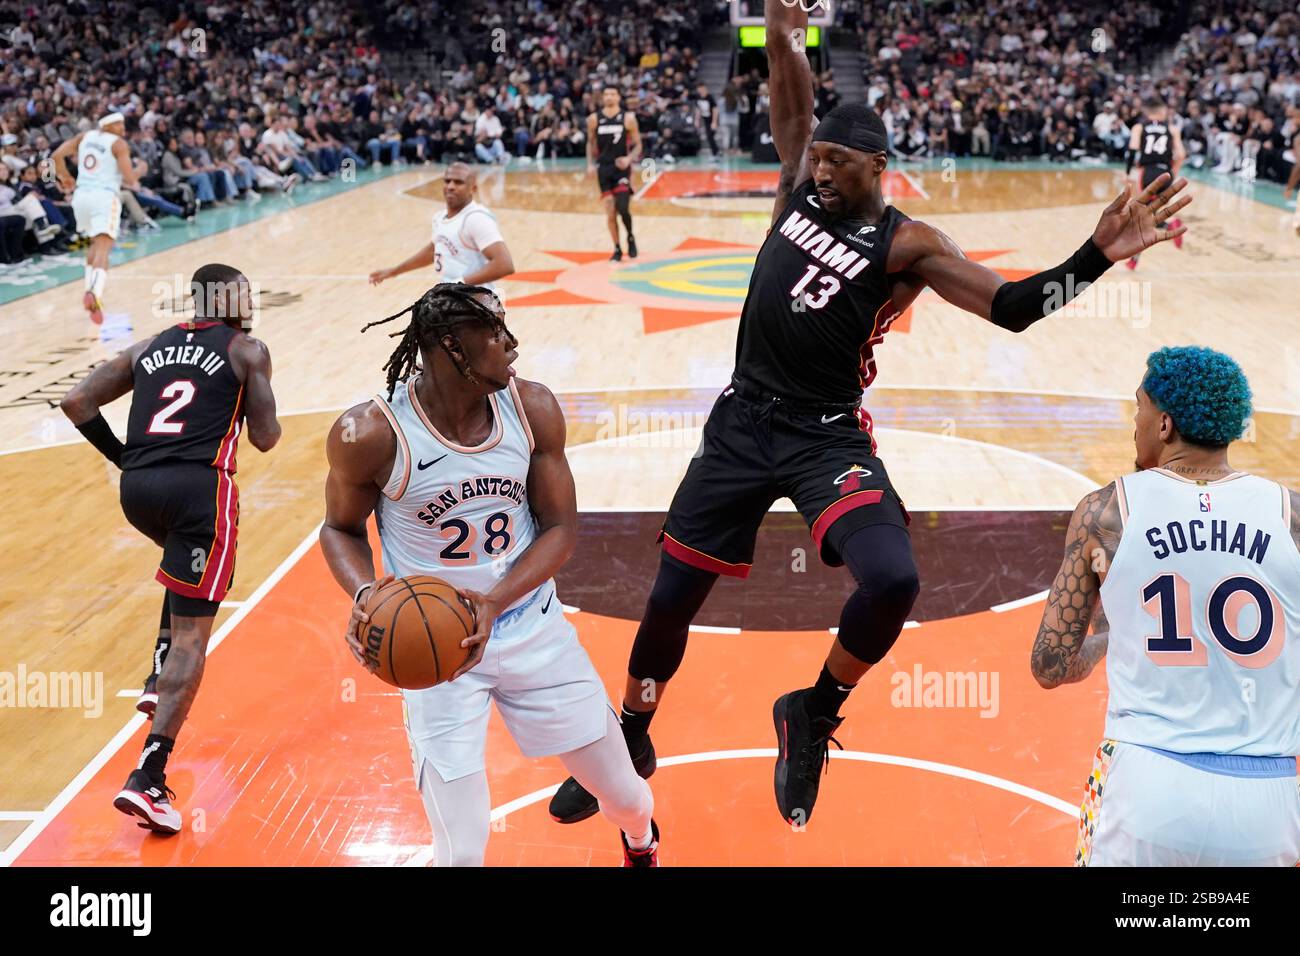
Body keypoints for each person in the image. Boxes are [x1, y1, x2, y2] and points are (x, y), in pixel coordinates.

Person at [548, 0, 1193, 830]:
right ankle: (632, 732)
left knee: (894, 578)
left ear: (876, 166)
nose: (817, 170)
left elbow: (1016, 308)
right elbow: (791, 101)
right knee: (671, 596)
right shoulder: (796, 189)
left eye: (835, 161)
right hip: (742, 424)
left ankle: (812, 712)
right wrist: (784, 33)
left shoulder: (906, 245)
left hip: (825, 434)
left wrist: (1095, 258)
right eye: (813, 157)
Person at [320, 283, 659, 867]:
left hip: (532, 630)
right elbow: (338, 529)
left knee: (627, 797)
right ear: (451, 346)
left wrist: (494, 602)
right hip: (440, 657)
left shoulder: (532, 409)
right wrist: (366, 594)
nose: (511, 343)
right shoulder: (373, 433)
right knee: (462, 851)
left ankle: (640, 841)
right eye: (495, 332)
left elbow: (561, 530)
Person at [1032, 346, 1300, 867]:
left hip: (1146, 787)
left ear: (1164, 424)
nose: (1134, 424)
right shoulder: (1290, 515)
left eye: (1139, 409)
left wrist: (1116, 633)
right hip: (1268, 797)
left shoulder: (1106, 511)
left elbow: (1049, 665)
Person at [58, 264, 280, 833]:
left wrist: (127, 458)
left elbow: (76, 401)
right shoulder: (247, 349)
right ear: (225, 297)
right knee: (193, 638)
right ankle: (149, 776)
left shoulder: (149, 346)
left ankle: (158, 677)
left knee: (181, 571)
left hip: (139, 492)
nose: (251, 300)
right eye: (245, 291)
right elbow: (264, 437)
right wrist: (258, 385)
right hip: (200, 492)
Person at [50, 112, 140, 323]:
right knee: (104, 248)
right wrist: (140, 171)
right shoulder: (118, 144)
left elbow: (55, 156)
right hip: (104, 197)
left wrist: (65, 178)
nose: (123, 128)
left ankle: (89, 291)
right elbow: (130, 179)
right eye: (120, 124)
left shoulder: (84, 137)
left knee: (94, 243)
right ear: (109, 124)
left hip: (81, 197)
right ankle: (95, 293)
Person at [368, 162, 514, 291]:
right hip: (453, 298)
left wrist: (458, 284)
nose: (450, 186)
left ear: (473, 188)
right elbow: (433, 250)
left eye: (458, 182)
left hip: (477, 302)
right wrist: (394, 271)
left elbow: (504, 264)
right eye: (447, 181)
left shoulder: (476, 218)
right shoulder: (439, 217)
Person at [1125, 97, 1185, 270]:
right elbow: (1180, 154)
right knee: (1147, 216)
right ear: (1161, 111)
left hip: (1147, 173)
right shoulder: (1172, 129)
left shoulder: (1139, 127)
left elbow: (1133, 149)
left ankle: (1169, 227)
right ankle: (1134, 259)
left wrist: (1128, 173)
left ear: (1147, 112)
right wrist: (1173, 173)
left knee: (1141, 215)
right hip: (1166, 173)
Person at [586, 85, 641, 261]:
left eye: (613, 93)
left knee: (623, 208)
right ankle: (617, 248)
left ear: (618, 97)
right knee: (610, 211)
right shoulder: (594, 119)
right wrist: (590, 164)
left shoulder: (628, 118)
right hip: (604, 168)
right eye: (606, 94)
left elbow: (639, 145)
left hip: (622, 168)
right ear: (602, 98)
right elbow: (590, 143)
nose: (609, 96)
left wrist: (629, 158)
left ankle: (630, 236)